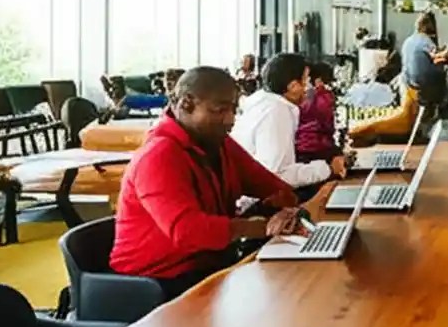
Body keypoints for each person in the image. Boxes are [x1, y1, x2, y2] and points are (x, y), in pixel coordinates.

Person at [109, 66, 305, 298]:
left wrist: (285, 209)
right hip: (155, 286)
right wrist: (262, 227)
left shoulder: (218, 144)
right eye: (219, 110)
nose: (230, 120)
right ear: (186, 104)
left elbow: (272, 186)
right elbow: (189, 232)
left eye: (233, 110)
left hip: (207, 268)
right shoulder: (158, 156)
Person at [231, 53, 346, 198]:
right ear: (293, 86)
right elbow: (277, 175)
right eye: (306, 80)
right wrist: (328, 169)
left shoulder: (264, 103)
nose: (309, 87)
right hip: (257, 202)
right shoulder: (276, 112)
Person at [348, 13, 448, 148]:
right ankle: (360, 129)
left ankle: (362, 130)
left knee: (404, 118)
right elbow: (436, 57)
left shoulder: (409, 41)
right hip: (420, 89)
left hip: (407, 85)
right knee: (406, 120)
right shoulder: (426, 41)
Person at [295, 60, 340, 164]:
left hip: (300, 147)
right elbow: (327, 124)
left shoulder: (301, 96)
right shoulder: (325, 97)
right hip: (320, 146)